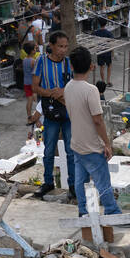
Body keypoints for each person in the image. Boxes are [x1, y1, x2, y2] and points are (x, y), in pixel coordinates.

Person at [64, 47, 125, 241]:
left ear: (72, 65)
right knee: (102, 181)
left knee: (80, 181)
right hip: (92, 144)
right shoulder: (91, 91)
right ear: (91, 66)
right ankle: (112, 212)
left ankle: (83, 212)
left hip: (77, 143)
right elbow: (97, 120)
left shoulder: (68, 87)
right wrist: (107, 143)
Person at [34, 30, 75, 200]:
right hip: (50, 112)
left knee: (71, 151)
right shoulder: (41, 62)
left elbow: (75, 84)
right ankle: (48, 182)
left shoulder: (68, 63)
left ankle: (73, 184)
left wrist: (62, 91)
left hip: (68, 113)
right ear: (51, 46)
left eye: (65, 47)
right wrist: (52, 93)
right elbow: (35, 86)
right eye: (60, 46)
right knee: (48, 150)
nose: (63, 50)